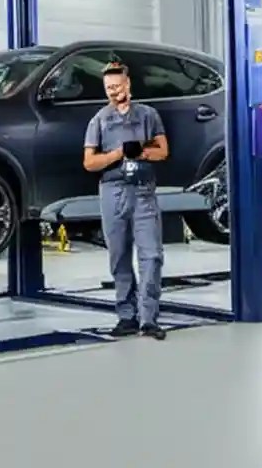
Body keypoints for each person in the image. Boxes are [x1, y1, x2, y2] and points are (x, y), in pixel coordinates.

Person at [82, 61, 170, 339]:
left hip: (143, 190)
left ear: (128, 84)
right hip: (113, 191)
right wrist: (118, 153)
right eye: (108, 88)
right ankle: (126, 317)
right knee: (119, 256)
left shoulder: (148, 115)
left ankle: (149, 318)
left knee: (152, 255)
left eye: (117, 86)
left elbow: (163, 151)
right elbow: (89, 162)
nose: (113, 92)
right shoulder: (99, 120)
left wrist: (141, 153)